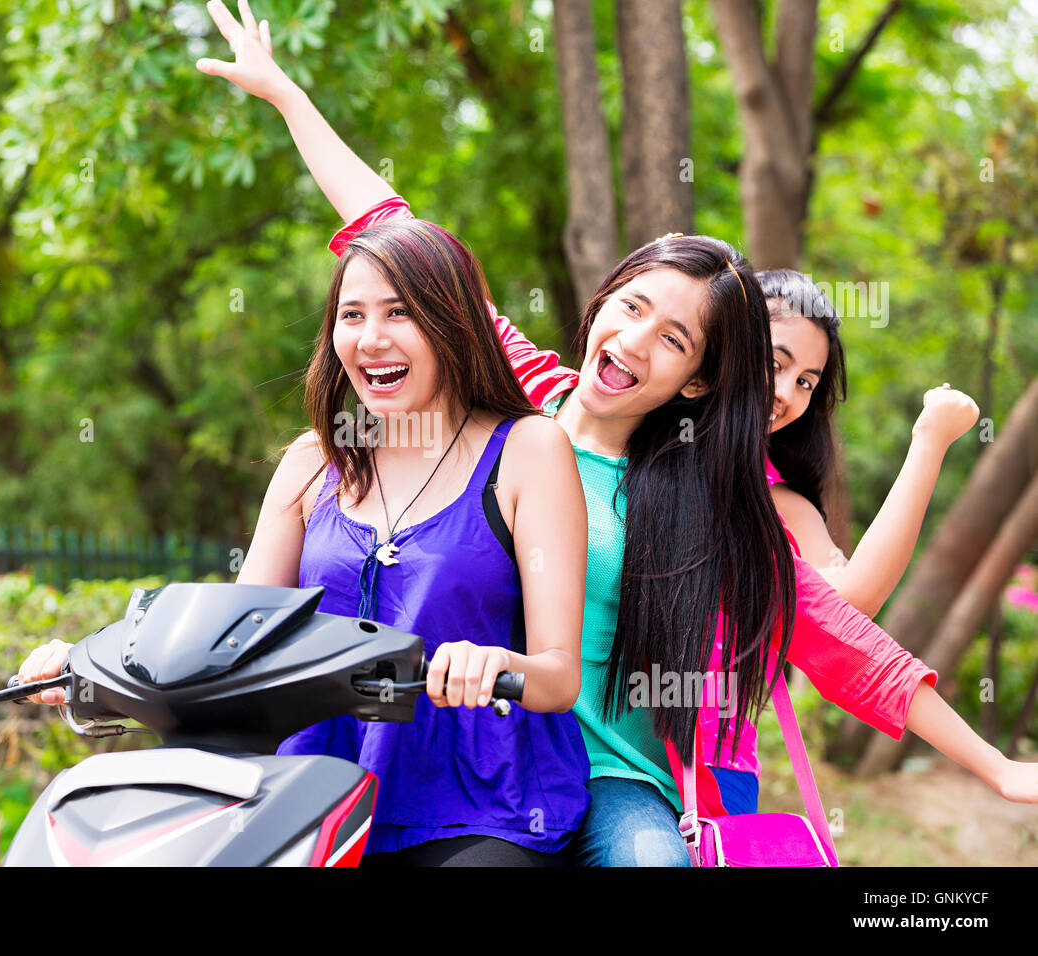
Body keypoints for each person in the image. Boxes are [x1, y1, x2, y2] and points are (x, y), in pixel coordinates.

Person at [192, 0, 1038, 866]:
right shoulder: (524, 405)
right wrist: (289, 97)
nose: (633, 340)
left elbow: (847, 638)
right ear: (601, 303)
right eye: (631, 307)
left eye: (672, 339)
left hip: (611, 777)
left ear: (699, 378)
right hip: (473, 753)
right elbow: (401, 244)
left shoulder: (700, 501)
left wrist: (998, 768)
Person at [18, 171, 592, 868]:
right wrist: (83, 671)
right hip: (307, 798)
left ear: (454, 323)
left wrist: (496, 661)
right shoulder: (311, 463)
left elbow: (560, 676)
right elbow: (229, 642)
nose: (371, 338)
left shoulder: (529, 449)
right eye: (352, 316)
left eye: (400, 313)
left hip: (478, 807)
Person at [699, 271, 981, 814]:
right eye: (775, 364)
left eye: (806, 381)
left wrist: (929, 443)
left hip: (709, 777)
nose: (785, 393)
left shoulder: (776, 505)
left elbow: (852, 602)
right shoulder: (620, 435)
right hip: (567, 745)